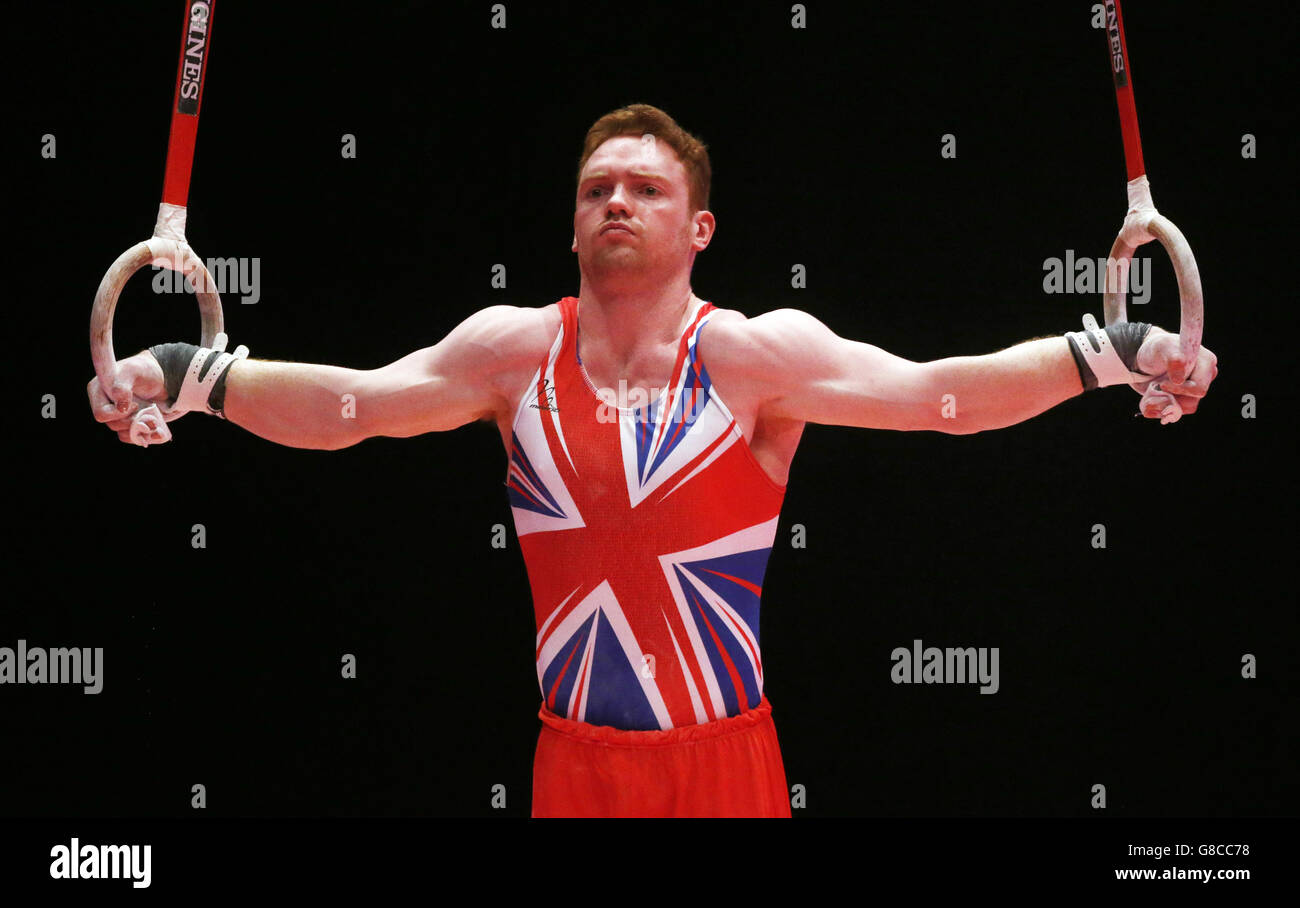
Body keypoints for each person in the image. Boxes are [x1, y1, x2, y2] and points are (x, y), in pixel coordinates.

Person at [88, 103, 1218, 817]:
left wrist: (1108, 347)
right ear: (570, 224)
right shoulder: (510, 352)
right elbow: (350, 408)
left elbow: (942, 398)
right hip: (572, 769)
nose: (615, 198)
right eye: (595, 188)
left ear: (699, 229)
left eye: (644, 187)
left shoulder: (746, 357)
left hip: (725, 766)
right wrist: (195, 374)